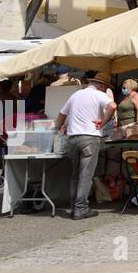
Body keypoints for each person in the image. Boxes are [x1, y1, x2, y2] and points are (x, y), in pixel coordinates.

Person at [55, 74, 116, 220]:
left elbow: (62, 114)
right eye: (105, 87)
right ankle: (81, 208)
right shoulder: (98, 94)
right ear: (101, 86)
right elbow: (113, 106)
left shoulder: (76, 95)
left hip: (72, 138)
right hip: (89, 137)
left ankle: (73, 207)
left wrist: (59, 128)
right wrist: (103, 120)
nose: (105, 89)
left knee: (76, 174)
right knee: (86, 175)